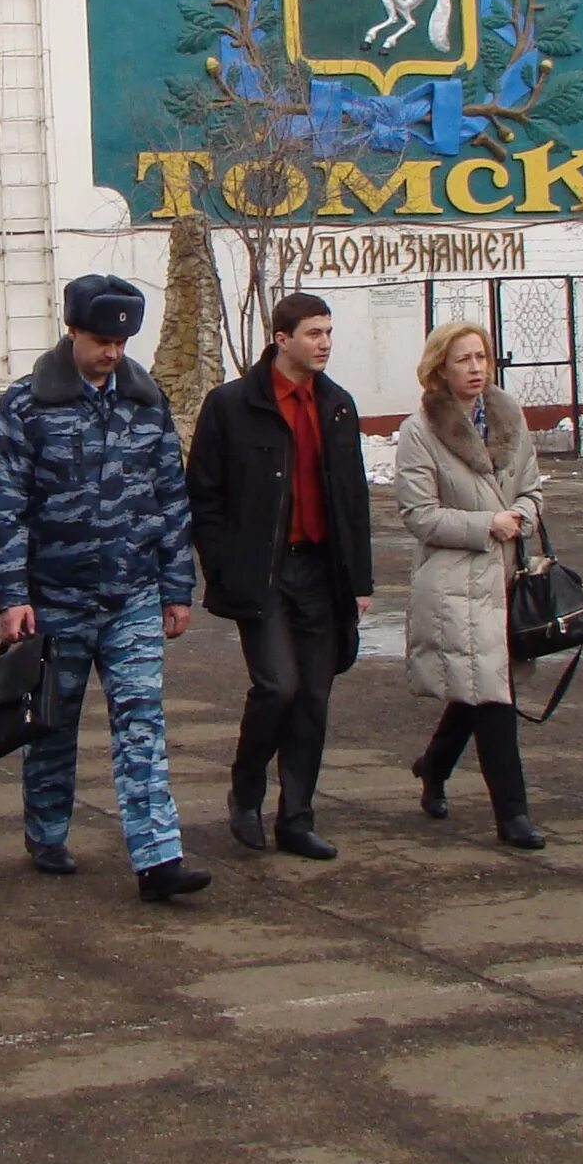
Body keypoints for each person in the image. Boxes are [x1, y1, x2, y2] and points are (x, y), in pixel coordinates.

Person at [0, 273, 211, 905]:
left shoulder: (145, 399)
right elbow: (2, 507)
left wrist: (175, 587)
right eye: (102, 340)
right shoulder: (27, 405)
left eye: (121, 341)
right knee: (53, 725)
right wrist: (12, 595)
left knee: (143, 723)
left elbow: (170, 495)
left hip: (131, 595)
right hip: (55, 599)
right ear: (72, 331)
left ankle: (158, 857)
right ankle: (47, 832)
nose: (112, 353)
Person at [188, 292, 372, 861]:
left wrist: (360, 582)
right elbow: (205, 495)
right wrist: (223, 565)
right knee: (277, 686)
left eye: (328, 333)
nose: (324, 344)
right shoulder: (232, 405)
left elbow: (353, 497)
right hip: (262, 570)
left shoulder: (336, 404)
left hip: (322, 572)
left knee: (314, 695)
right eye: (314, 333)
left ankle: (297, 817)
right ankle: (246, 793)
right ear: (282, 338)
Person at [394, 322, 548, 850]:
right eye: (463, 360)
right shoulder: (421, 430)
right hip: (455, 582)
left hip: (507, 577)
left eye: (481, 357)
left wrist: (521, 515)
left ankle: (433, 765)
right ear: (440, 368)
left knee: (478, 686)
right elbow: (419, 515)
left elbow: (530, 488)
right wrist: (487, 525)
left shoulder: (509, 416)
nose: (477, 368)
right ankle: (513, 815)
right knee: (493, 694)